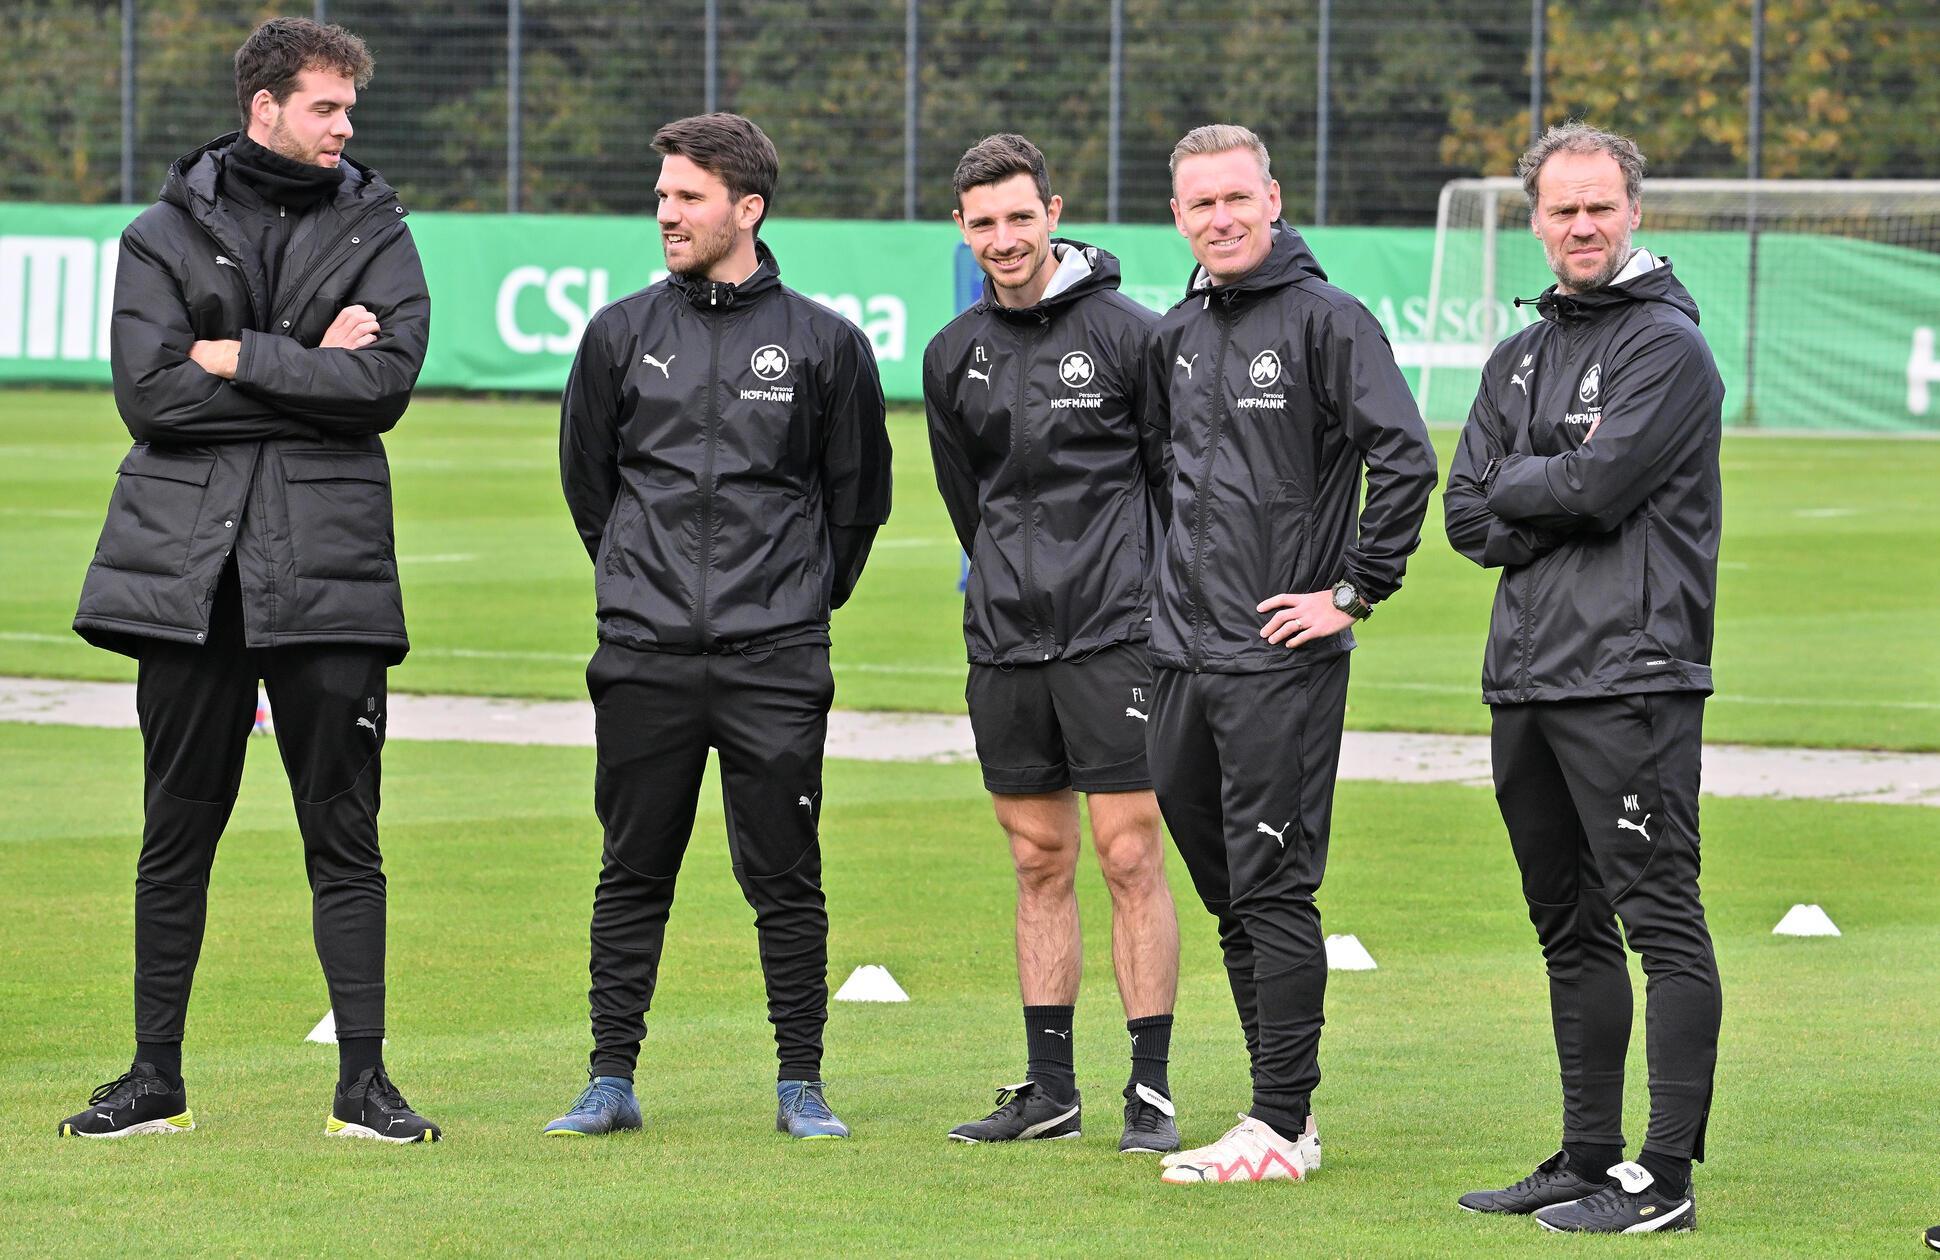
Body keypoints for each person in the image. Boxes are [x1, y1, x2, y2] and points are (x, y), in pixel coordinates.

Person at [63, 17, 438, 1143]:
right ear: (263, 106)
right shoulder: (156, 235)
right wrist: (308, 363)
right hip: (186, 580)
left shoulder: (379, 226)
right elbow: (152, 399)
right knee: (174, 830)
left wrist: (236, 353)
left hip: (327, 574)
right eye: (327, 107)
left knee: (345, 833)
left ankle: (364, 1087)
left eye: (348, 110)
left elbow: (383, 384)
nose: (346, 128)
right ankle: (153, 1076)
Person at [552, 112, 892, 1140]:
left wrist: (786, 605)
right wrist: (638, 589)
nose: (666, 212)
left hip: (775, 657)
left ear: (745, 209)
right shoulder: (617, 334)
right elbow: (588, 487)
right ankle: (609, 1079)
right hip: (644, 653)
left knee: (784, 875)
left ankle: (800, 1084)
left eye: (687, 197)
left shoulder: (826, 343)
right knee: (631, 868)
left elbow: (854, 503)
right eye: (661, 195)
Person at [1444, 122, 1725, 1234]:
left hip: (1630, 678)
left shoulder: (1666, 347)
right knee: (1566, 930)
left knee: (1661, 924)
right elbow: (1465, 513)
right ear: (1534, 218)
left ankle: (1665, 1179)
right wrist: (1535, 486)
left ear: (1633, 212)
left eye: (1598, 206)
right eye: (1559, 208)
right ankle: (1585, 1154)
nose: (1579, 225)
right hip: (1523, 678)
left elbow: (1602, 486)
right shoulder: (1515, 357)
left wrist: (1529, 481)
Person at [1142, 124, 1436, 1184]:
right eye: (1196, 205)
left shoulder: (1327, 321)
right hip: (1178, 658)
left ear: (1271, 197)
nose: (1218, 218)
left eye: (1234, 197)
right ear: (1176, 216)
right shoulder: (1173, 331)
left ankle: (1277, 1121)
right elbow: (1158, 483)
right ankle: (1282, 1114)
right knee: (1228, 895)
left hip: (1276, 662)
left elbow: (1403, 461)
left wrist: (1352, 593)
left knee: (1271, 889)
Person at [923, 135, 1181, 1154]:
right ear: (962, 229)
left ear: (1053, 213)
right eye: (982, 223)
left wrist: (1144, 600)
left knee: (1126, 854)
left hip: (1116, 632)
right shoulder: (951, 354)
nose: (1002, 239)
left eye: (1019, 218)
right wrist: (1002, 586)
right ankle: (1048, 1089)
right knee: (1036, 858)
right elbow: (965, 503)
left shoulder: (1130, 336)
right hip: (1004, 637)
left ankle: (1149, 1091)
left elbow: (1172, 483)